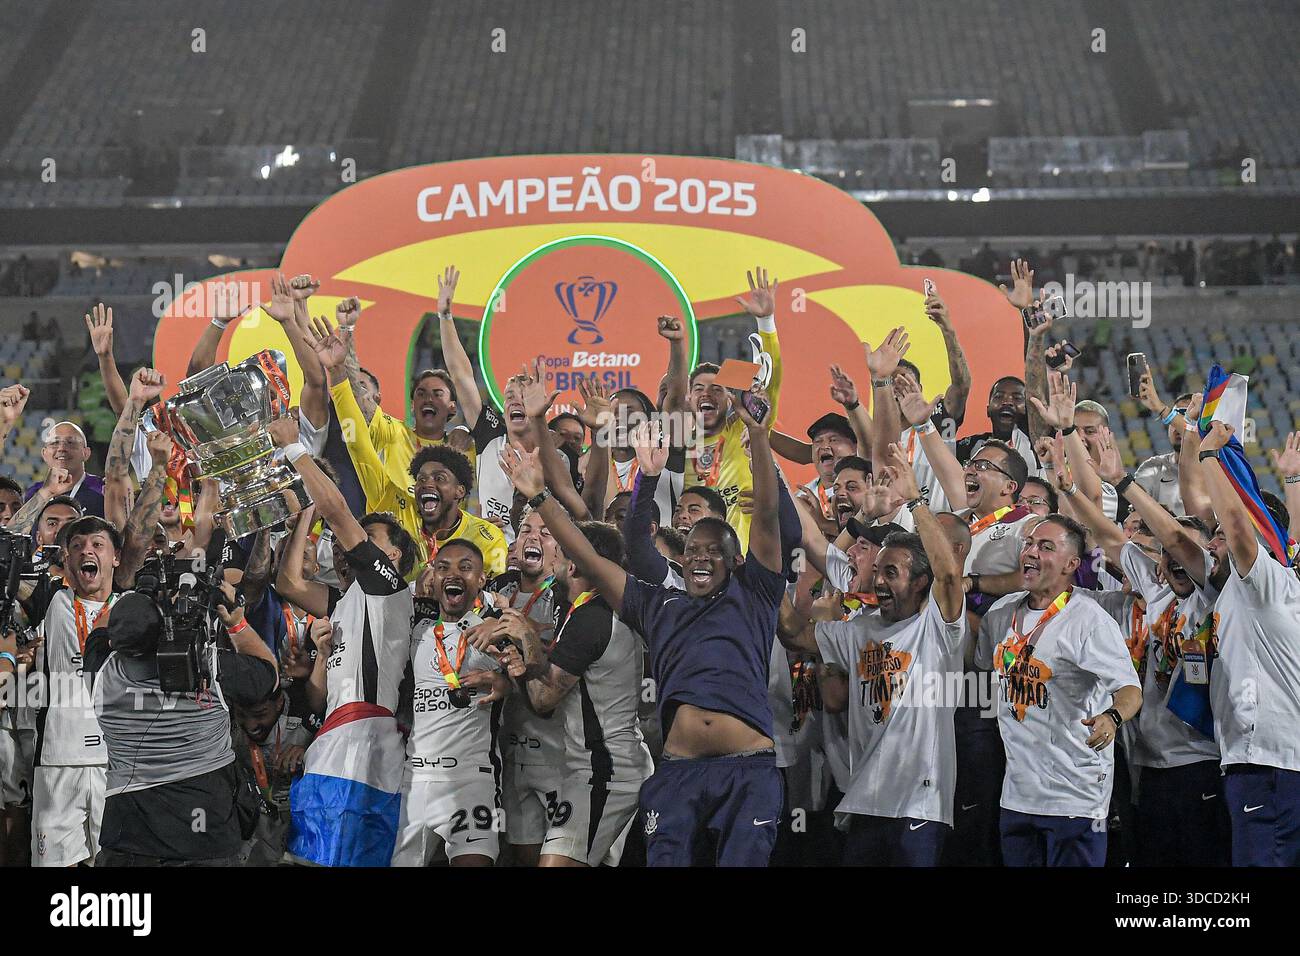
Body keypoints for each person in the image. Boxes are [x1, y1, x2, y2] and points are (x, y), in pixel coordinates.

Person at [499, 384, 792, 866]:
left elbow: (765, 513)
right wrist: (539, 497)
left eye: (712, 550)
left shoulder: (756, 594)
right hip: (677, 773)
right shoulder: (660, 605)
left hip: (748, 772)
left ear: (737, 560)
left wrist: (758, 436)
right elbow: (589, 558)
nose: (699, 557)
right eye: (692, 550)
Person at [777, 442, 965, 865]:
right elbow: (793, 634)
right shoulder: (858, 630)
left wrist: (916, 502)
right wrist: (766, 574)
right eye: (877, 571)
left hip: (921, 806)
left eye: (891, 573)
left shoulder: (937, 627)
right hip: (863, 803)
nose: (879, 581)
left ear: (920, 582)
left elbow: (949, 573)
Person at [270, 416, 418, 867]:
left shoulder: (388, 589)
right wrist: (306, 516)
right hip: (331, 742)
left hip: (366, 749)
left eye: (366, 538)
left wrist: (296, 449)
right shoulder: (345, 599)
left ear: (390, 556)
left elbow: (340, 512)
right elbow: (290, 582)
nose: (341, 541)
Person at [975, 515, 1142, 866]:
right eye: (1029, 544)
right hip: (1018, 796)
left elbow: (1130, 689)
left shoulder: (1089, 620)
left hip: (1075, 796)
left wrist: (1112, 717)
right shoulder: (1000, 614)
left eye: (1045, 547)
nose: (1031, 552)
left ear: (1071, 564)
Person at [85, 580, 281, 866]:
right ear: (162, 630)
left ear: (114, 644)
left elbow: (101, 628)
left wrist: (141, 592)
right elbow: (269, 676)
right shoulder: (210, 666)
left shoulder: (99, 672)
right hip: (207, 834)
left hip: (128, 839)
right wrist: (236, 623)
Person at [497, 521, 654, 867]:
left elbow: (542, 701)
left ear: (572, 564)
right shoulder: (592, 610)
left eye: (558, 547)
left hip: (607, 772)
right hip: (601, 768)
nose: (549, 551)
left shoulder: (590, 618)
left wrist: (522, 644)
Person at [1199, 422, 1300, 866]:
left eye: (1217, 532)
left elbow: (1241, 527)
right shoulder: (1282, 585)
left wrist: (1209, 457)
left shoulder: (1264, 585)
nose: (1214, 540)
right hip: (1276, 761)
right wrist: (1293, 481)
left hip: (1268, 762)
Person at [394, 539, 512, 867]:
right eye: (443, 566)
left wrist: (508, 684)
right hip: (413, 779)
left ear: (481, 580)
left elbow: (537, 684)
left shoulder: (495, 633)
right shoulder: (412, 629)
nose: (452, 574)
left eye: (465, 567)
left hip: (471, 779)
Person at [29, 515, 120, 867]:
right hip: (57, 757)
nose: (87, 550)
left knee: (113, 862)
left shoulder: (132, 607)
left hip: (115, 761)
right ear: (65, 559)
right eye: (77, 545)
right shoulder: (51, 597)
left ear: (115, 557)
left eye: (97, 544)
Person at [674, 267, 784, 551]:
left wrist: (766, 322)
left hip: (744, 561)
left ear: (729, 398)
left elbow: (770, 383)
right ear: (688, 397)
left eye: (717, 388)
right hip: (692, 563)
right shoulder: (676, 445)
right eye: (698, 388)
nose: (707, 393)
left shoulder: (746, 430)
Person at [489, 507, 567, 867]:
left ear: (560, 548)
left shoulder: (568, 597)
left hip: (560, 754)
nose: (533, 537)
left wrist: (523, 627)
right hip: (510, 751)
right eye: (524, 530)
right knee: (522, 856)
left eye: (546, 532)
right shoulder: (495, 591)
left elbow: (570, 653)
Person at [24, 423, 103, 519]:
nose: (62, 448)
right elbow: (16, 531)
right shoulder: (34, 494)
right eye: (54, 443)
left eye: (70, 443)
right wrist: (46, 493)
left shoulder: (103, 490)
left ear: (86, 453)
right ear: (44, 454)